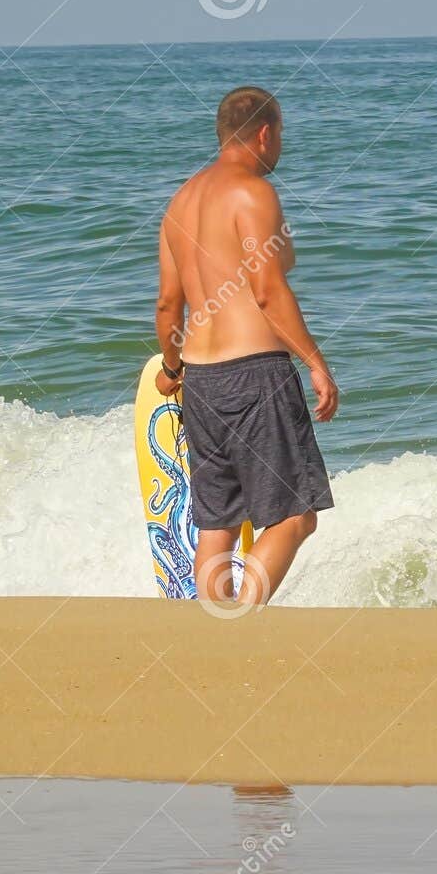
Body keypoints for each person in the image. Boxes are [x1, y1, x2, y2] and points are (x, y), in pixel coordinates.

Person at [154, 86, 338, 606]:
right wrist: (316, 364)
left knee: (219, 520)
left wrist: (172, 368)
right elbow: (266, 289)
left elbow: (169, 305)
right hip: (255, 374)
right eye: (281, 134)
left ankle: (213, 621)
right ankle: (240, 616)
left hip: (201, 380)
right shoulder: (253, 192)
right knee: (294, 516)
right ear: (265, 133)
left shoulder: (179, 202)